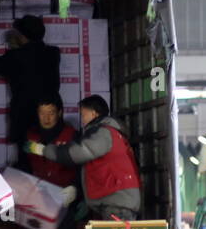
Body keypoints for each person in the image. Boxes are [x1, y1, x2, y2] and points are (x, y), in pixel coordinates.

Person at [28, 94, 142, 222]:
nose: (82, 120)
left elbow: (79, 152)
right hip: (114, 201)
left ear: (93, 114)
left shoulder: (104, 133)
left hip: (119, 203)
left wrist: (43, 150)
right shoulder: (106, 132)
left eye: (83, 115)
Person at [0, 15, 60, 145]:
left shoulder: (16, 57)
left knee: (28, 154)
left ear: (22, 36)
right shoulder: (53, 53)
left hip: (27, 115)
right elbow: (33, 59)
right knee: (48, 150)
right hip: (51, 113)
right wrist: (20, 48)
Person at [25, 96, 78, 186]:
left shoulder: (72, 135)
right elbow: (25, 164)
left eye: (51, 113)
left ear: (59, 113)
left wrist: (75, 188)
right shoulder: (31, 136)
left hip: (64, 192)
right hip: (39, 192)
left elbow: (81, 168)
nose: (46, 118)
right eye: (42, 113)